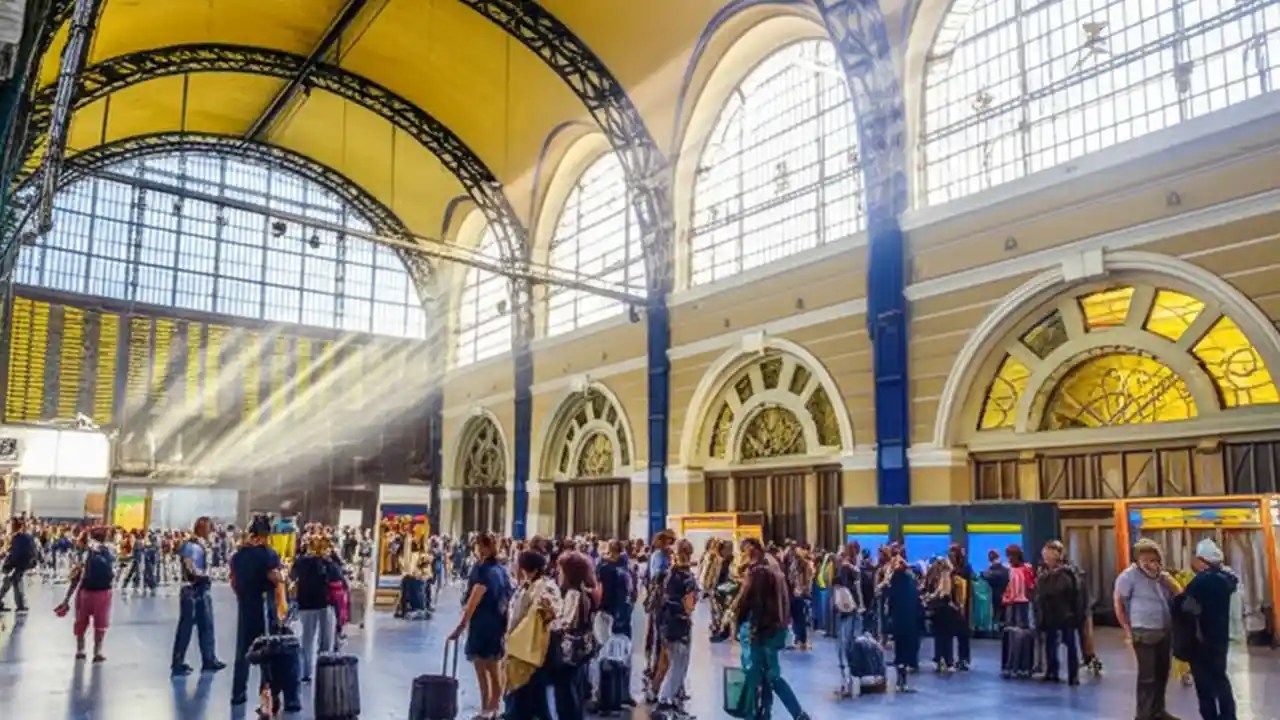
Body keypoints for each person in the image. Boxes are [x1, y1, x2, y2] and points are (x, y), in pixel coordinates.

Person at [735, 537, 810, 720]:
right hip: (774, 630)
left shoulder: (758, 573)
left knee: (762, 675)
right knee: (769, 676)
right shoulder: (773, 568)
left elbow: (753, 603)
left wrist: (747, 627)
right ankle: (774, 713)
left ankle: (761, 714)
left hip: (762, 632)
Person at [1114, 538, 1180, 720]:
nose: (1152, 564)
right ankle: (1144, 714)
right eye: (1147, 560)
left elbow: (1178, 595)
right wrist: (1127, 630)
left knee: (1162, 672)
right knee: (1147, 676)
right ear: (1138, 560)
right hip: (1143, 631)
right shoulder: (1128, 577)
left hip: (1164, 630)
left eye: (1155, 559)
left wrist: (1170, 583)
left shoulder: (1162, 577)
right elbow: (1119, 603)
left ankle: (1158, 710)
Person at [229, 515, 290, 709]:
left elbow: (234, 582)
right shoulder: (269, 554)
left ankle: (238, 695)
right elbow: (276, 577)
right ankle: (267, 701)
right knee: (267, 655)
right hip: (264, 608)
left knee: (242, 654)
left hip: (245, 607)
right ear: (265, 535)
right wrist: (284, 575)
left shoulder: (237, 556)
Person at [451, 533, 511, 720]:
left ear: (483, 547)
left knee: (484, 668)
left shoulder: (482, 570)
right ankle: (493, 707)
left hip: (482, 623)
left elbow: (474, 598)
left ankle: (488, 709)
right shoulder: (502, 569)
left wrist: (461, 625)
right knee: (494, 668)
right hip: (497, 622)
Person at [1176, 538, 1238, 720]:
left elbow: (1185, 607)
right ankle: (1228, 716)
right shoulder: (1227, 579)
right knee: (1220, 679)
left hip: (1200, 639)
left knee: (1204, 684)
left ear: (1202, 560)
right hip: (1220, 639)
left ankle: (1210, 716)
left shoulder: (1200, 582)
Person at [171, 516, 225, 676]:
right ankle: (178, 662)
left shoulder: (201, 545)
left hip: (202, 589)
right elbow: (188, 564)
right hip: (192, 590)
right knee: (186, 628)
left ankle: (209, 659)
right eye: (209, 528)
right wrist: (199, 575)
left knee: (206, 625)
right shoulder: (191, 545)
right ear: (201, 528)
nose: (211, 531)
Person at [58, 527, 114, 662]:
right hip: (104, 592)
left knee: (81, 622)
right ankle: (98, 651)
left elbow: (76, 576)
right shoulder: (109, 552)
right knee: (101, 623)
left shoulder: (85, 552)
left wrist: (66, 599)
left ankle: (80, 649)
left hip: (85, 592)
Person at [657, 539, 698, 718]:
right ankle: (665, 701)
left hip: (665, 624)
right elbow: (689, 605)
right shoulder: (688, 578)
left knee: (672, 662)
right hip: (680, 626)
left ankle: (671, 702)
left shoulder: (668, 574)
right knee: (679, 666)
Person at [291, 535, 337, 683]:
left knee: (307, 639)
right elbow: (338, 576)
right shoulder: (326, 562)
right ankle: (324, 671)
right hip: (324, 604)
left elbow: (292, 577)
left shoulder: (300, 562)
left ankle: (305, 672)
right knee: (325, 640)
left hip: (305, 604)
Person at [1036, 540, 1082, 685]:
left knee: (1070, 644)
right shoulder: (1044, 573)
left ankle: (1073, 675)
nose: (1045, 558)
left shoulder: (1066, 574)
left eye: (1047, 555)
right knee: (1050, 643)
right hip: (1049, 614)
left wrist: (1076, 614)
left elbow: (1073, 595)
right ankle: (1051, 671)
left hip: (1065, 614)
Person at [0, 517, 36, 613]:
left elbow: (12, 551)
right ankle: (20, 604)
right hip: (18, 563)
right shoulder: (24, 537)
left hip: (14, 563)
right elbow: (31, 551)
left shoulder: (16, 537)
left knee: (12, 582)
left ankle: (20, 604)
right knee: (12, 582)